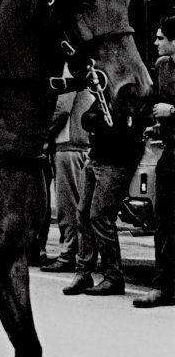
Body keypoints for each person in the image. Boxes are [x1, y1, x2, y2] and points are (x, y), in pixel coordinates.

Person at [63, 99, 149, 296]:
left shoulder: (133, 97)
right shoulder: (108, 95)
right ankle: (84, 272)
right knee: (83, 214)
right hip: (97, 156)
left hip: (117, 160)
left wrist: (101, 122)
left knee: (100, 216)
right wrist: (102, 122)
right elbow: (87, 118)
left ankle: (113, 276)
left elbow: (124, 129)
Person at [134, 16, 175, 307]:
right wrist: (157, 125)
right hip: (170, 151)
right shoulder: (162, 68)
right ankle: (163, 285)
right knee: (165, 221)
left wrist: (172, 110)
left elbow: (168, 107)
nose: (155, 41)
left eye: (161, 37)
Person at [41, 82, 94, 272]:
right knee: (79, 203)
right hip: (79, 142)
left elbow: (61, 109)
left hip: (68, 142)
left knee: (67, 204)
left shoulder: (68, 74)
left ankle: (68, 254)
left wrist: (43, 136)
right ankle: (79, 252)